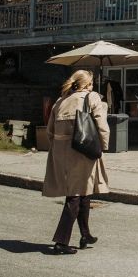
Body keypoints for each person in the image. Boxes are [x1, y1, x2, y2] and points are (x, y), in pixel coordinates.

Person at [43, 69, 110, 254]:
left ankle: (85, 234)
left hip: (60, 151)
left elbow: (49, 130)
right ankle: (61, 242)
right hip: (83, 150)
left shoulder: (61, 100)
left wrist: (58, 147)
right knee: (75, 194)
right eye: (91, 83)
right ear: (87, 84)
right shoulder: (91, 97)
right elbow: (102, 125)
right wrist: (103, 146)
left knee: (84, 192)